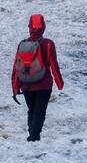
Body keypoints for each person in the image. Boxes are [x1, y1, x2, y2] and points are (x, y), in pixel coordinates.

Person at [11, 13, 64, 141]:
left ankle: (32, 136)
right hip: (43, 85)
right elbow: (53, 65)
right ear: (43, 27)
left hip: (26, 85)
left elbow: (16, 68)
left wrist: (15, 88)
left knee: (31, 111)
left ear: (29, 27)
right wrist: (59, 83)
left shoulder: (22, 44)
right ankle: (34, 138)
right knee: (39, 113)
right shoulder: (48, 44)